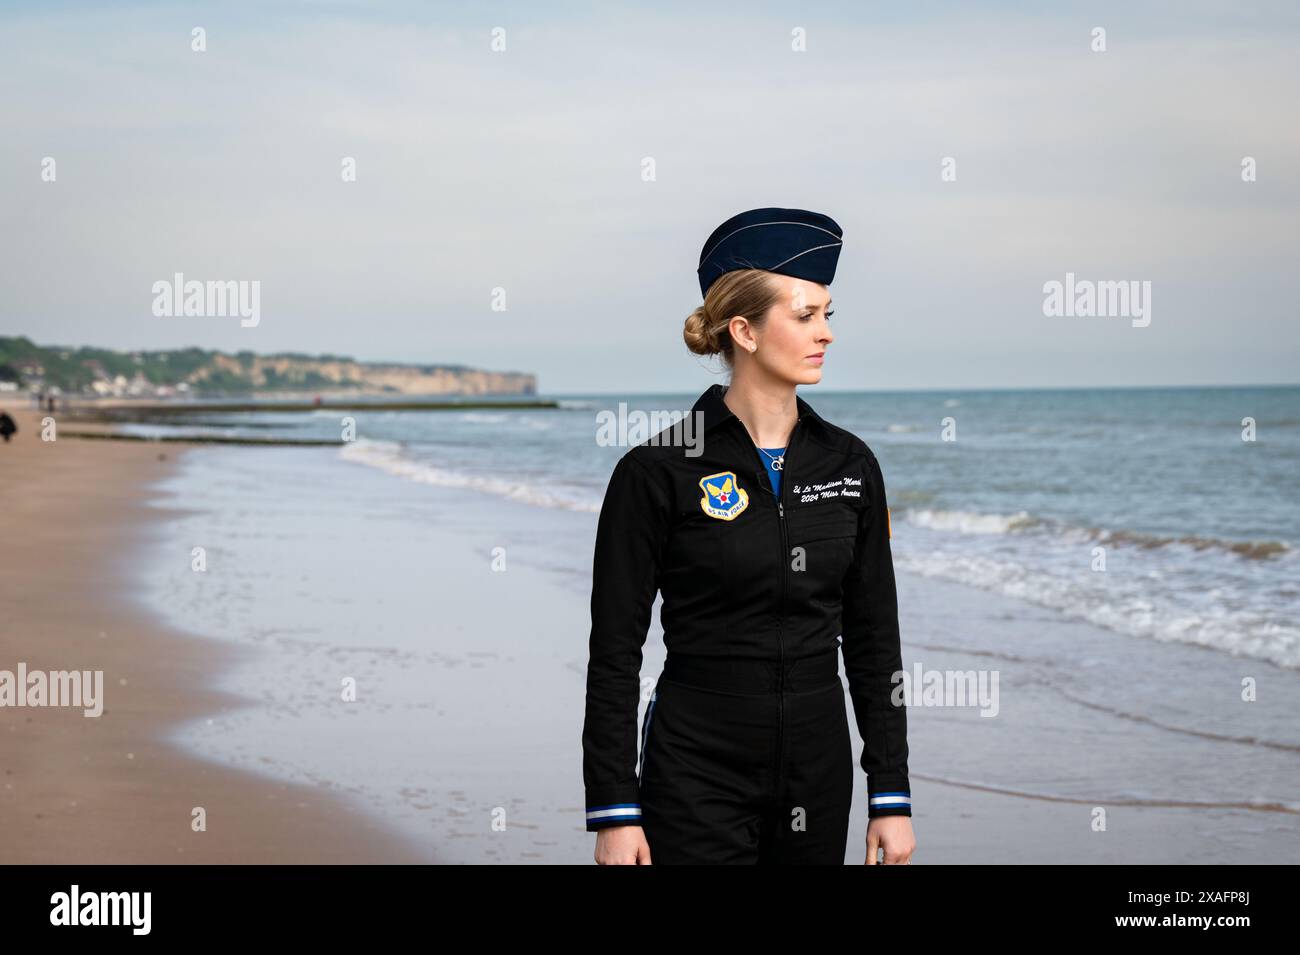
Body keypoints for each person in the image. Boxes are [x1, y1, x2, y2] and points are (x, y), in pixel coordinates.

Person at [582, 207, 916, 865]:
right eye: (805, 315)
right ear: (745, 330)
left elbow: (875, 638)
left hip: (818, 772)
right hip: (694, 770)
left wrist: (891, 792)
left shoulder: (851, 465)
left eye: (827, 314)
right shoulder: (657, 470)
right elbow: (615, 651)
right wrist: (615, 807)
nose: (826, 332)